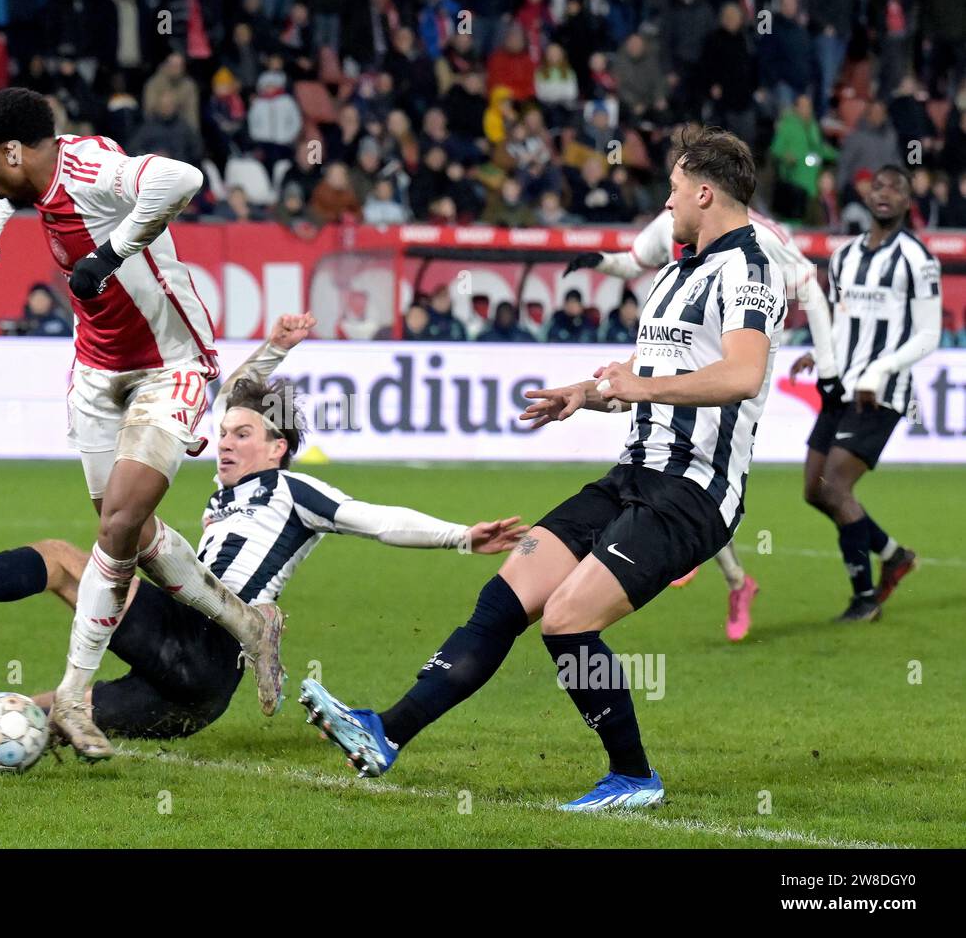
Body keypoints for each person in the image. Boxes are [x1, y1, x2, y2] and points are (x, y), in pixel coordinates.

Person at [300, 127, 786, 812]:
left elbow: (743, 373)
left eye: (674, 189)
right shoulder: (679, 271)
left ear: (704, 191)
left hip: (692, 491)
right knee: (510, 592)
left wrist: (639, 388)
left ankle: (634, 776)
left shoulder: (751, 268)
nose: (668, 203)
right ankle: (386, 732)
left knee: (566, 620)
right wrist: (587, 395)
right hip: (632, 474)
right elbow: (654, 380)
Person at [0, 315, 527, 741]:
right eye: (226, 433)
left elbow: (380, 521)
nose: (228, 442)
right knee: (34, 720)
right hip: (192, 694)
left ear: (279, 446)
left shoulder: (295, 491)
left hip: (204, 648)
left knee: (77, 554)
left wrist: (460, 536)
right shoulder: (225, 490)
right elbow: (237, 390)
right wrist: (272, 351)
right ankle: (13, 721)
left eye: (245, 435)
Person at [0, 88, 284, 762]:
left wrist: (114, 250)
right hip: (99, 371)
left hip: (169, 366)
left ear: (16, 152)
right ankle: (247, 623)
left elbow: (183, 178)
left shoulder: (92, 174)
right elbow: (8, 194)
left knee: (116, 527)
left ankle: (73, 697)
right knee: (127, 532)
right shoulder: (34, 173)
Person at [564, 194, 837, 641]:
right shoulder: (673, 220)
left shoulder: (762, 240)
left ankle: (690, 550)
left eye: (680, 182)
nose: (671, 198)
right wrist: (598, 260)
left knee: (700, 464)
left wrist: (827, 367)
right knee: (681, 465)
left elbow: (808, 289)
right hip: (684, 356)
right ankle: (731, 578)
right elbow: (634, 261)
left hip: (734, 358)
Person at [791, 165, 940, 622]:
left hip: (883, 393)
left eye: (896, 189)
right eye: (879, 186)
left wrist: (882, 368)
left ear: (906, 202)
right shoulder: (846, 255)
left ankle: (865, 598)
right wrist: (821, 353)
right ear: (867, 194)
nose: (885, 194)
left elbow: (929, 335)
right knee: (815, 490)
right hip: (842, 386)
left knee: (835, 484)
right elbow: (840, 318)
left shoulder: (918, 260)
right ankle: (894, 554)